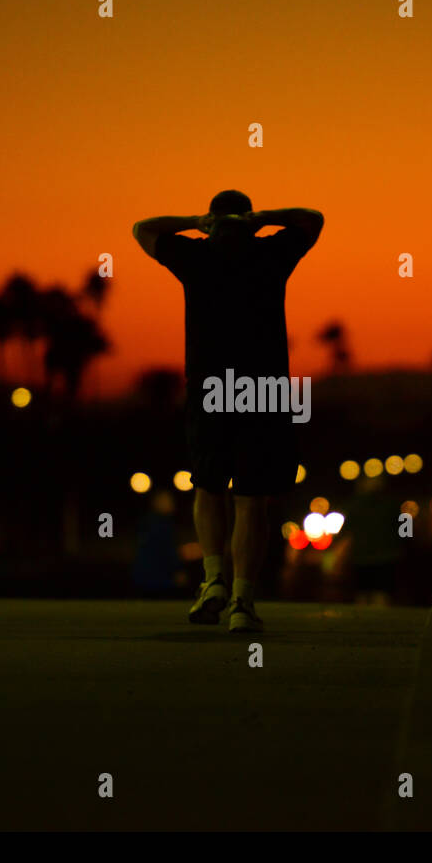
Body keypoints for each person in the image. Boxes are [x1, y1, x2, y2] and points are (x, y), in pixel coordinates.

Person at [133, 191, 323, 631]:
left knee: (208, 486)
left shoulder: (196, 255)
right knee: (253, 500)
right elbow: (313, 219)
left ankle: (213, 578)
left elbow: (142, 228)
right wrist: (264, 219)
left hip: (209, 386)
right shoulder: (271, 251)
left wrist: (193, 219)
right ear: (247, 219)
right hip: (263, 388)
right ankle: (242, 601)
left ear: (213, 220)